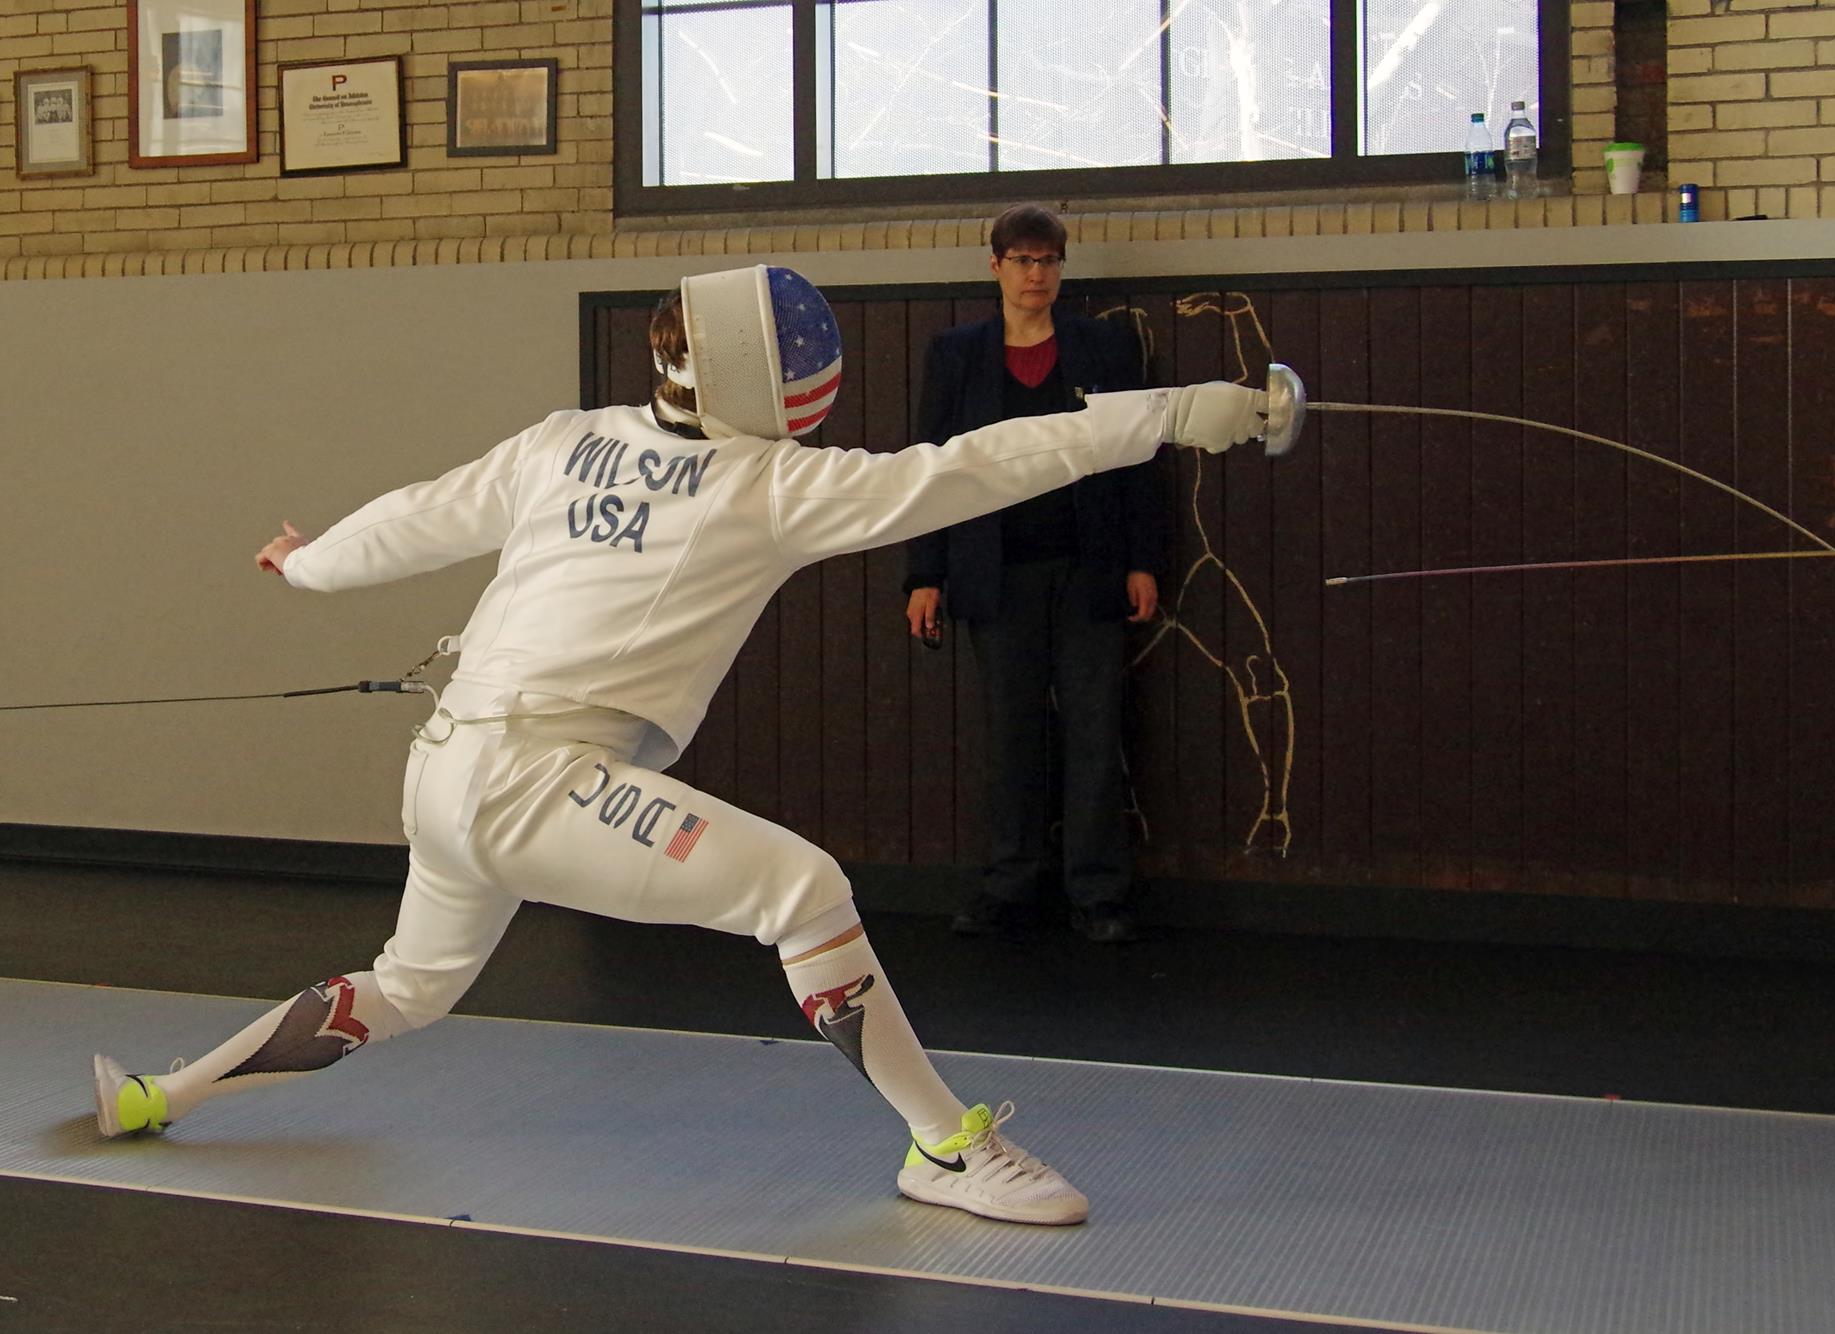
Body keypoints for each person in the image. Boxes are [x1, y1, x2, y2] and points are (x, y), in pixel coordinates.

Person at [90, 263, 1269, 1227]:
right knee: (803, 889)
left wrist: (304, 560)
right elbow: (966, 469)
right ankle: (944, 1147)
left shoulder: (565, 438)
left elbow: (413, 516)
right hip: (536, 782)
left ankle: (160, 1093)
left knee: (408, 983)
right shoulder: (765, 483)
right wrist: (1174, 412)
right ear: (774, 382)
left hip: (445, 770)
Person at [903, 205, 1166, 946]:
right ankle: (1009, 885)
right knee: (1009, 737)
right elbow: (929, 468)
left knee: (1094, 734)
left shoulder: (1105, 349)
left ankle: (1099, 895)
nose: (1035, 274)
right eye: (1021, 261)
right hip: (994, 573)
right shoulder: (956, 354)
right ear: (994, 268)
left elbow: (1138, 456)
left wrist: (1142, 560)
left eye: (1048, 261)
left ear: (1061, 269)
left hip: (1090, 568)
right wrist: (925, 573)